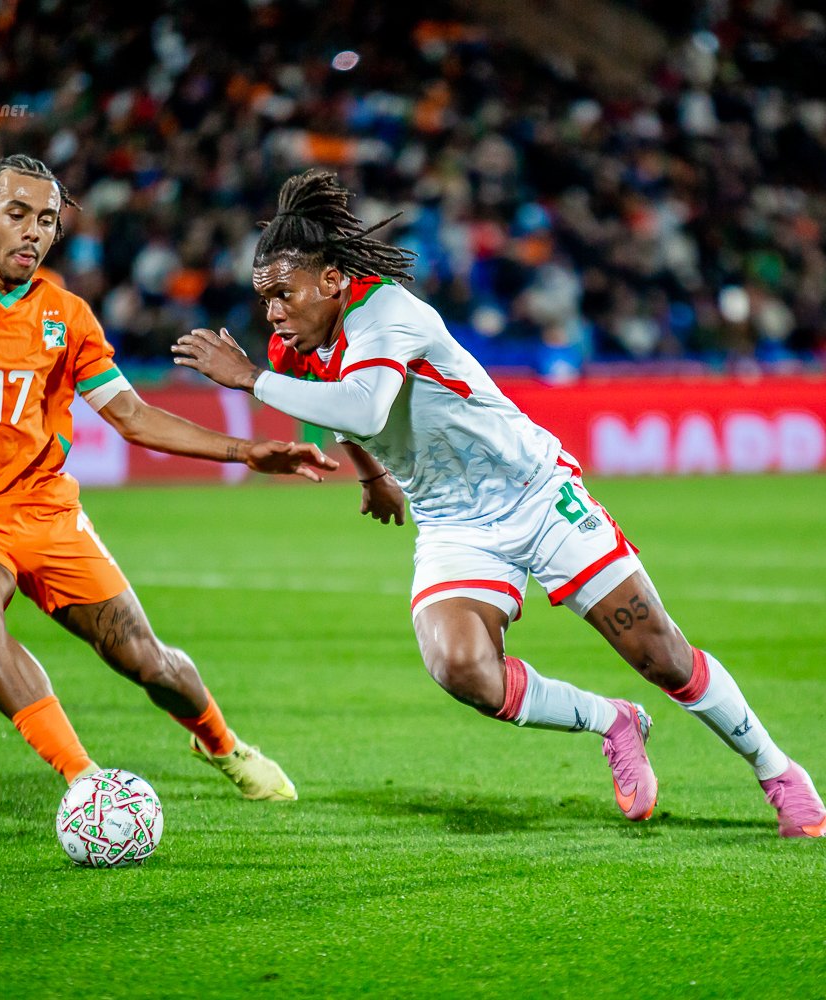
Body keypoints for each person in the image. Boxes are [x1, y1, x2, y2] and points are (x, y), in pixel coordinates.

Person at [173, 168, 825, 837]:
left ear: (333, 278)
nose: (273, 313)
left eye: (284, 294)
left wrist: (248, 379)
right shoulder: (296, 346)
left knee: (661, 654)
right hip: (453, 522)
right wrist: (371, 476)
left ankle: (778, 772)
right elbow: (333, 412)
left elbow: (364, 401)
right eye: (265, 301)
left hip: (535, 494)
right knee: (460, 668)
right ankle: (614, 721)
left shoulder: (390, 312)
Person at [0, 154, 339, 802]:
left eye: (47, 220)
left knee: (146, 661)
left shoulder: (67, 316)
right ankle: (86, 781)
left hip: (46, 513)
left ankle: (223, 744)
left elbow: (132, 416)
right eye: (18, 214)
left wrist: (246, 450)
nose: (33, 231)